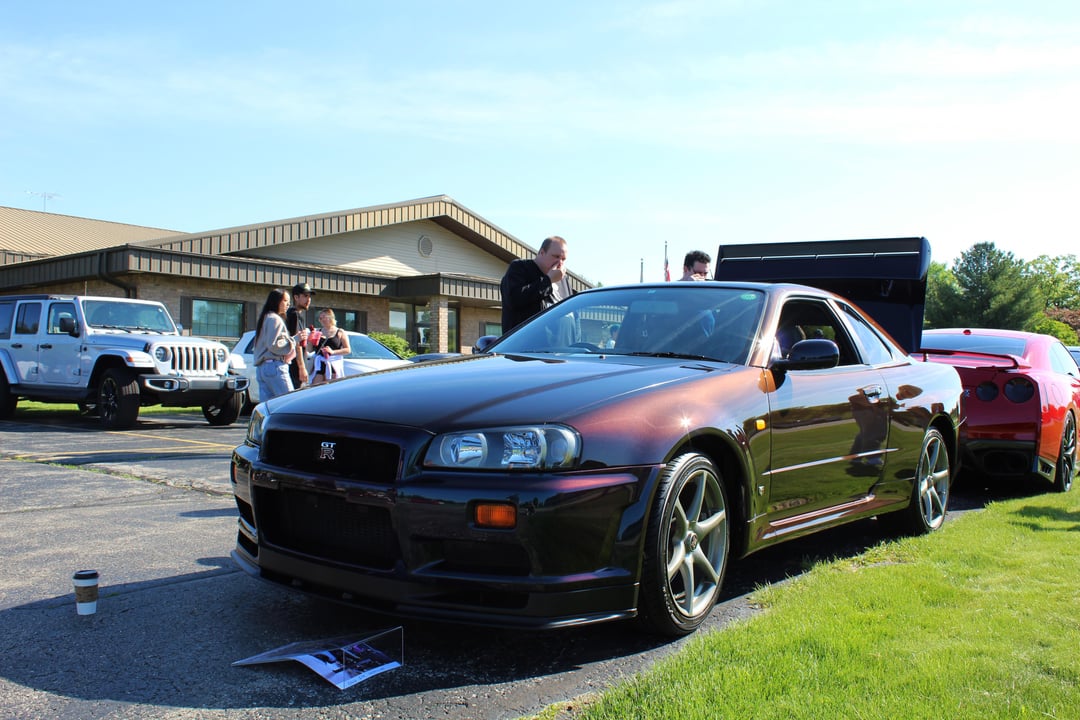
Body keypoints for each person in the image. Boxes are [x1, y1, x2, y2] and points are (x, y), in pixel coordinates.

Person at [500, 236, 568, 333]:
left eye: (563, 259)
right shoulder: (520, 268)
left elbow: (573, 316)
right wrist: (548, 281)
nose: (560, 263)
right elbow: (514, 299)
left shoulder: (563, 281)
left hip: (557, 347)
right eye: (556, 256)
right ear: (542, 252)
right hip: (524, 345)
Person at [252, 288, 297, 401]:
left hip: (262, 368)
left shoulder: (265, 317)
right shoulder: (274, 319)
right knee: (289, 402)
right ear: (276, 301)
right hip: (274, 367)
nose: (288, 304)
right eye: (285, 301)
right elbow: (274, 345)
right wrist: (294, 340)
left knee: (269, 407)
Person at [308, 308, 351, 386]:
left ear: (331, 317)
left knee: (332, 389)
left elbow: (348, 350)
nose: (321, 320)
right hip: (320, 364)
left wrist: (333, 352)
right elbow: (309, 350)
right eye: (320, 318)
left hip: (333, 364)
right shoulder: (318, 331)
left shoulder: (340, 332)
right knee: (314, 388)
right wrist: (310, 340)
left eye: (324, 317)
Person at [286, 282, 315, 388]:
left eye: (310, 296)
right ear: (296, 297)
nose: (309, 300)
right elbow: (296, 342)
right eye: (305, 296)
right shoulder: (294, 314)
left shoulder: (297, 314)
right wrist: (302, 368)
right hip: (293, 366)